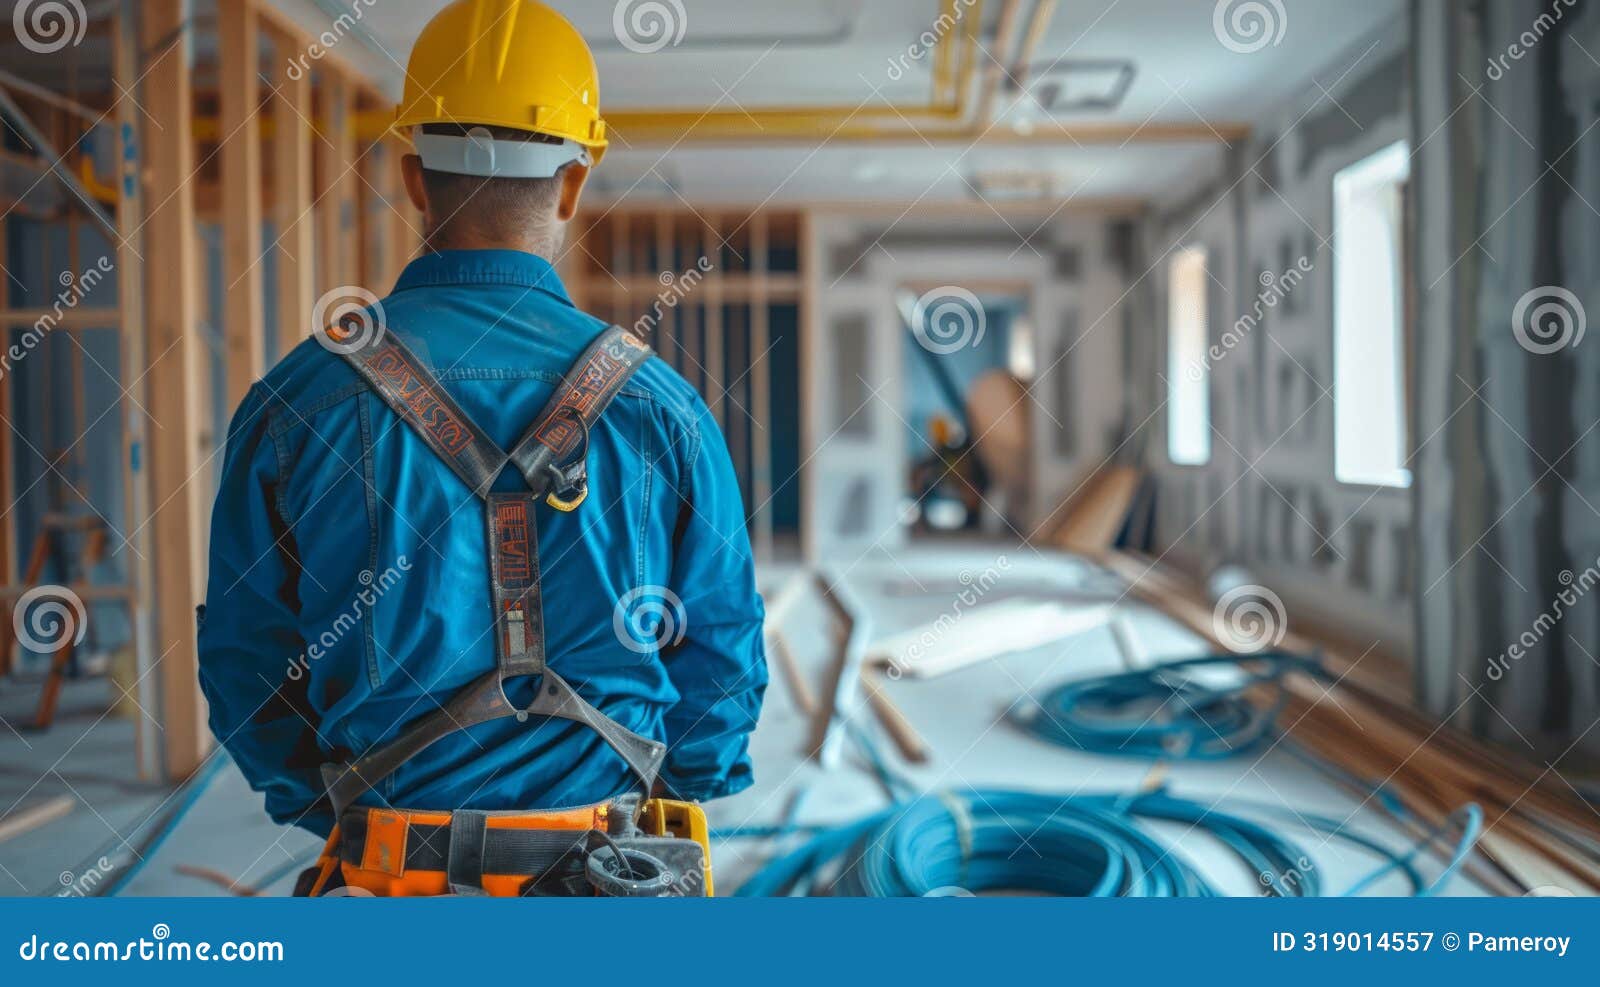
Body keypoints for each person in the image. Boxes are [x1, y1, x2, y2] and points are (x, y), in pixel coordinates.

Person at [197, 0, 766, 896]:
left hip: (389, 884)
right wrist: (679, 789)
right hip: (608, 887)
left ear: (415, 174)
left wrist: (339, 805)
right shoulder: (664, 411)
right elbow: (722, 657)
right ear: (575, 183)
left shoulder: (296, 402)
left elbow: (244, 664)